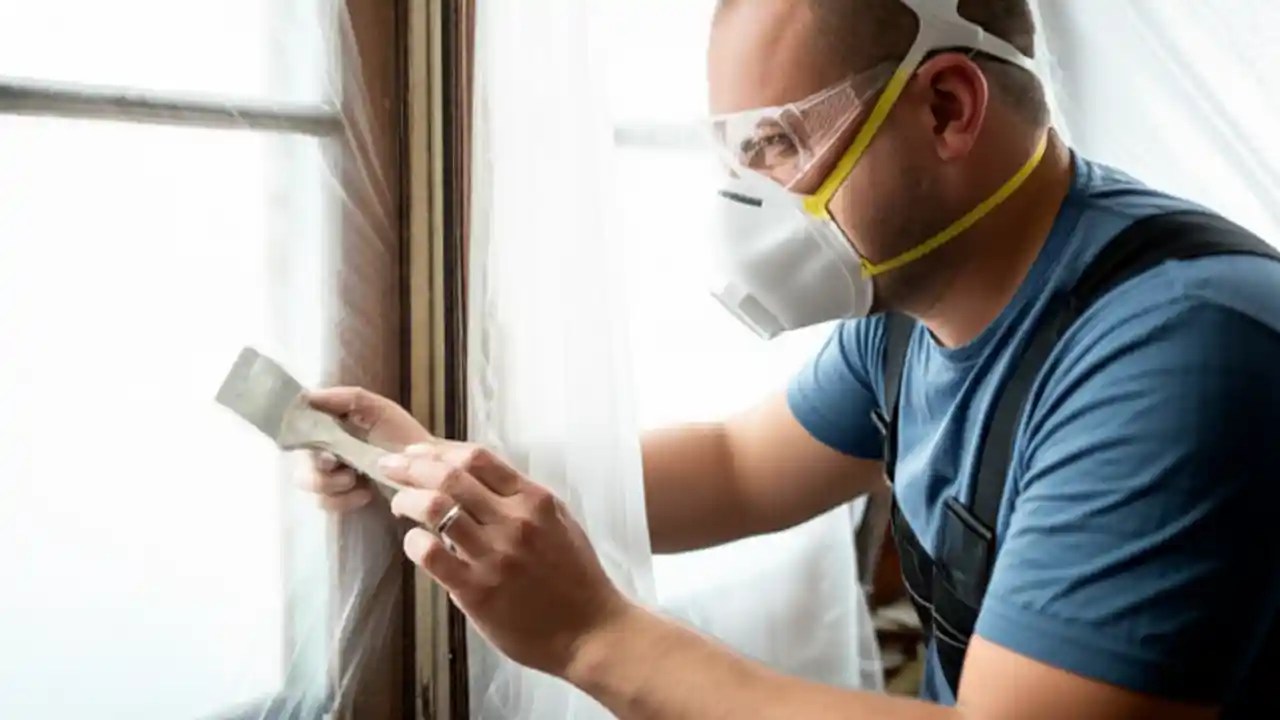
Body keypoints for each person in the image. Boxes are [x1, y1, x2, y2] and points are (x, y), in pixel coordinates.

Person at [301, 0, 1280, 717]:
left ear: (943, 107)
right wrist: (444, 468)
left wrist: (589, 635)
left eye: (775, 143)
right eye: (733, 155)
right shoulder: (909, 300)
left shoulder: (1178, 351)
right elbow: (734, 467)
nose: (746, 201)